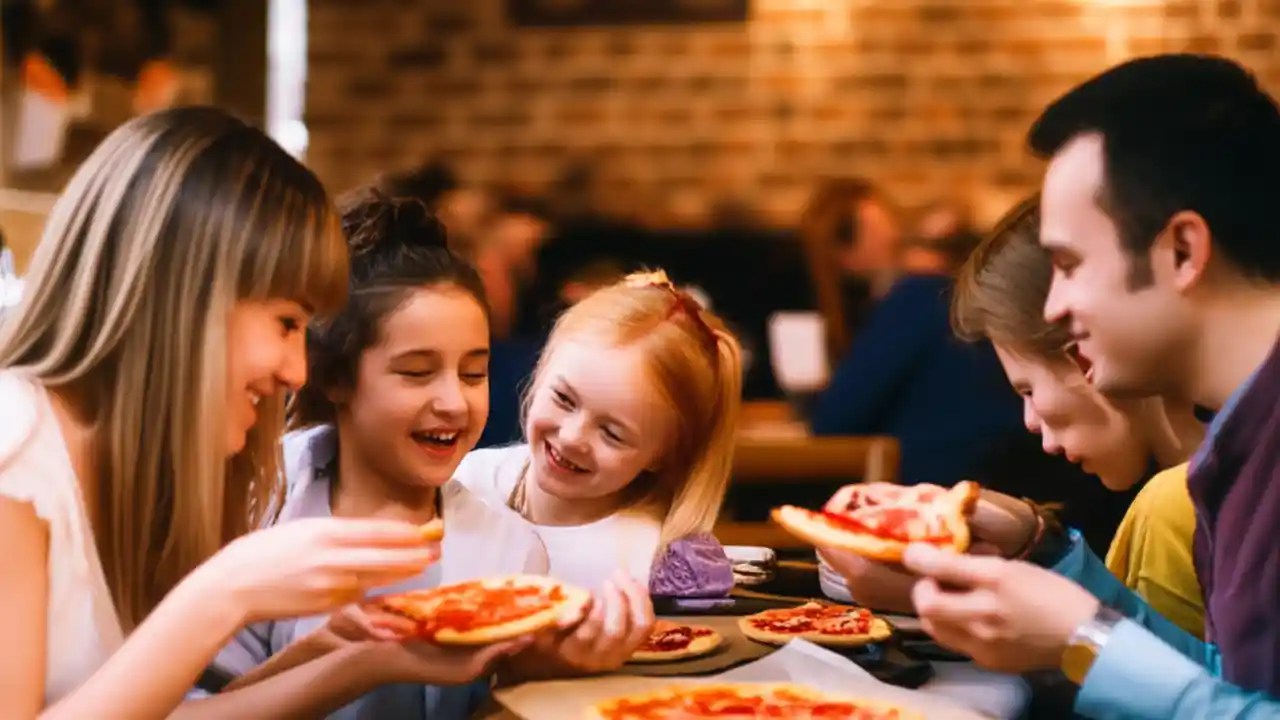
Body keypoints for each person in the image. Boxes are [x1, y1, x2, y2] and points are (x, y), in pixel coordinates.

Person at [839, 54, 1280, 719]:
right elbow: (1234, 688)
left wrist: (1087, 639)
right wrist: (1039, 553)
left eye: (1071, 264)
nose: (1052, 308)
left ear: (1184, 251)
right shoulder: (1240, 446)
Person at [0, 107, 445, 718]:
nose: (297, 372)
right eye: (286, 322)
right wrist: (224, 593)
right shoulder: (13, 442)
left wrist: (362, 657)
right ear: (182, 298)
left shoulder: (114, 467)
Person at [198, 192, 547, 717]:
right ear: (335, 377)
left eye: (474, 373)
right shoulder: (257, 511)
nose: (454, 402)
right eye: (416, 372)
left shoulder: (512, 552)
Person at [823, 196, 1206, 638]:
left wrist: (972, 603)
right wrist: (1038, 539)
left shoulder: (1172, 508)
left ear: (1082, 347)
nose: (1028, 421)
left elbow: (1186, 698)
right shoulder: (1177, 494)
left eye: (1029, 389)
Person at [454, 269, 741, 670]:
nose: (572, 437)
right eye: (564, 399)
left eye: (612, 433)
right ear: (540, 369)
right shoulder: (463, 482)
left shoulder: (655, 564)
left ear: (663, 455)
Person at [810, 211, 1024, 487]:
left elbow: (833, 422)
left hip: (924, 492)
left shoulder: (919, 297)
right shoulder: (998, 306)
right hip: (1004, 489)